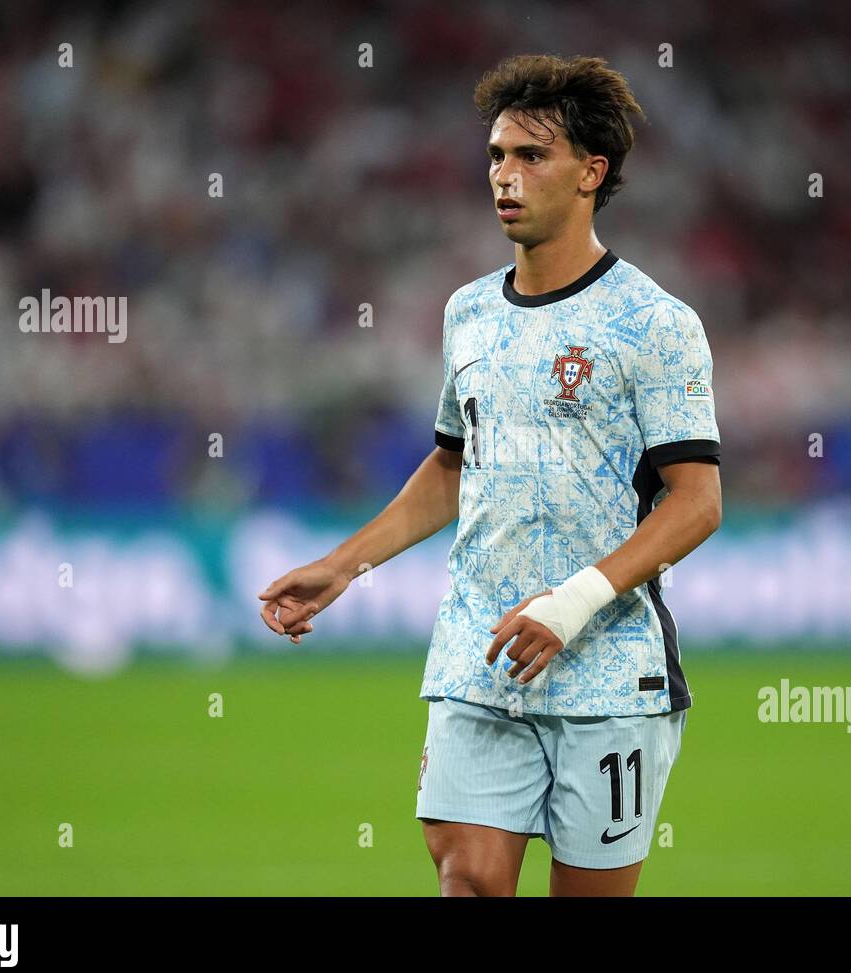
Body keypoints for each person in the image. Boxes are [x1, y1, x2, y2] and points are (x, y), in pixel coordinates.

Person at [260, 53, 722, 896]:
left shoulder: (657, 324)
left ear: (592, 172)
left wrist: (571, 602)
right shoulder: (468, 312)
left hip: (611, 668)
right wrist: (343, 565)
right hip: (483, 653)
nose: (504, 177)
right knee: (467, 878)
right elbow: (451, 465)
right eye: (497, 156)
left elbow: (696, 503)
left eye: (531, 157)